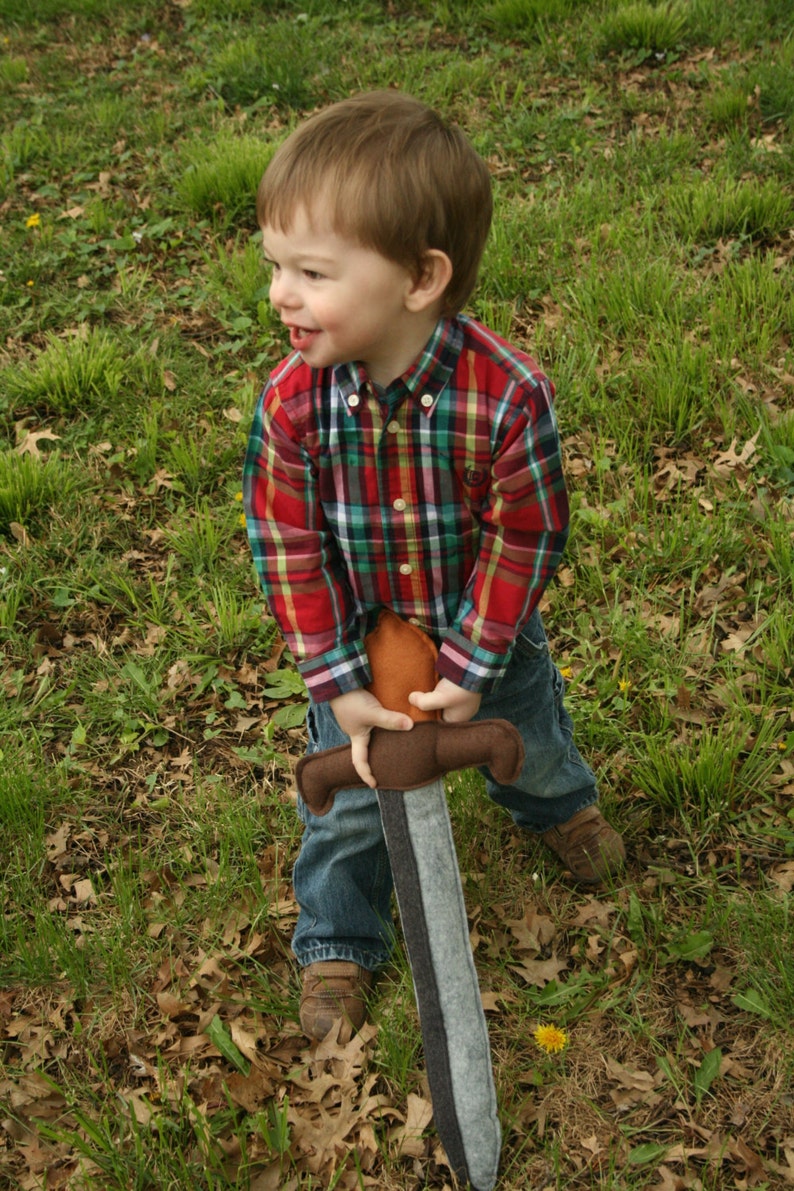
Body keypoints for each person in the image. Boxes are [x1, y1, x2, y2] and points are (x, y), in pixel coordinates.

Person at [243, 90, 625, 1042]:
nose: (281, 293)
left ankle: (558, 807)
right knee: (351, 804)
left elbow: (526, 534)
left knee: (527, 735)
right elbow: (288, 547)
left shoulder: (507, 395)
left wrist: (476, 659)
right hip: (361, 644)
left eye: (312, 272)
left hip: (485, 628)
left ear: (420, 278)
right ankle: (339, 934)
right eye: (275, 265)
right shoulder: (292, 405)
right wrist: (337, 683)